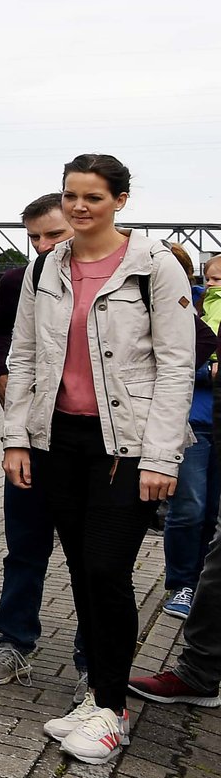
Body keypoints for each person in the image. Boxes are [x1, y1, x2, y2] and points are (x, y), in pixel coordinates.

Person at [2, 155, 191, 763]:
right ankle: (98, 698)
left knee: (109, 569)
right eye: (72, 196)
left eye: (94, 198)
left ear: (121, 201)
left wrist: (162, 456)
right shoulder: (45, 269)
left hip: (127, 446)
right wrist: (15, 438)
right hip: (60, 441)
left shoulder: (153, 268)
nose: (81, 208)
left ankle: (112, 707)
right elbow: (23, 357)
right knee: (82, 571)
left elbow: (176, 366)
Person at [0, 194, 76, 686]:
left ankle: (92, 664)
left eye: (54, 235)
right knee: (24, 547)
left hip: (96, 441)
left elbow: (194, 340)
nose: (42, 246)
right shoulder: (22, 279)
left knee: (94, 559)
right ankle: (12, 643)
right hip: (33, 436)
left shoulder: (132, 275)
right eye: (34, 237)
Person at [158, 246, 220, 621]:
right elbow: (167, 360)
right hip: (191, 422)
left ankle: (201, 584)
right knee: (189, 509)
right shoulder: (181, 309)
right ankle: (181, 584)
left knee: (210, 511)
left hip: (216, 420)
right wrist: (208, 374)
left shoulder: (202, 303)